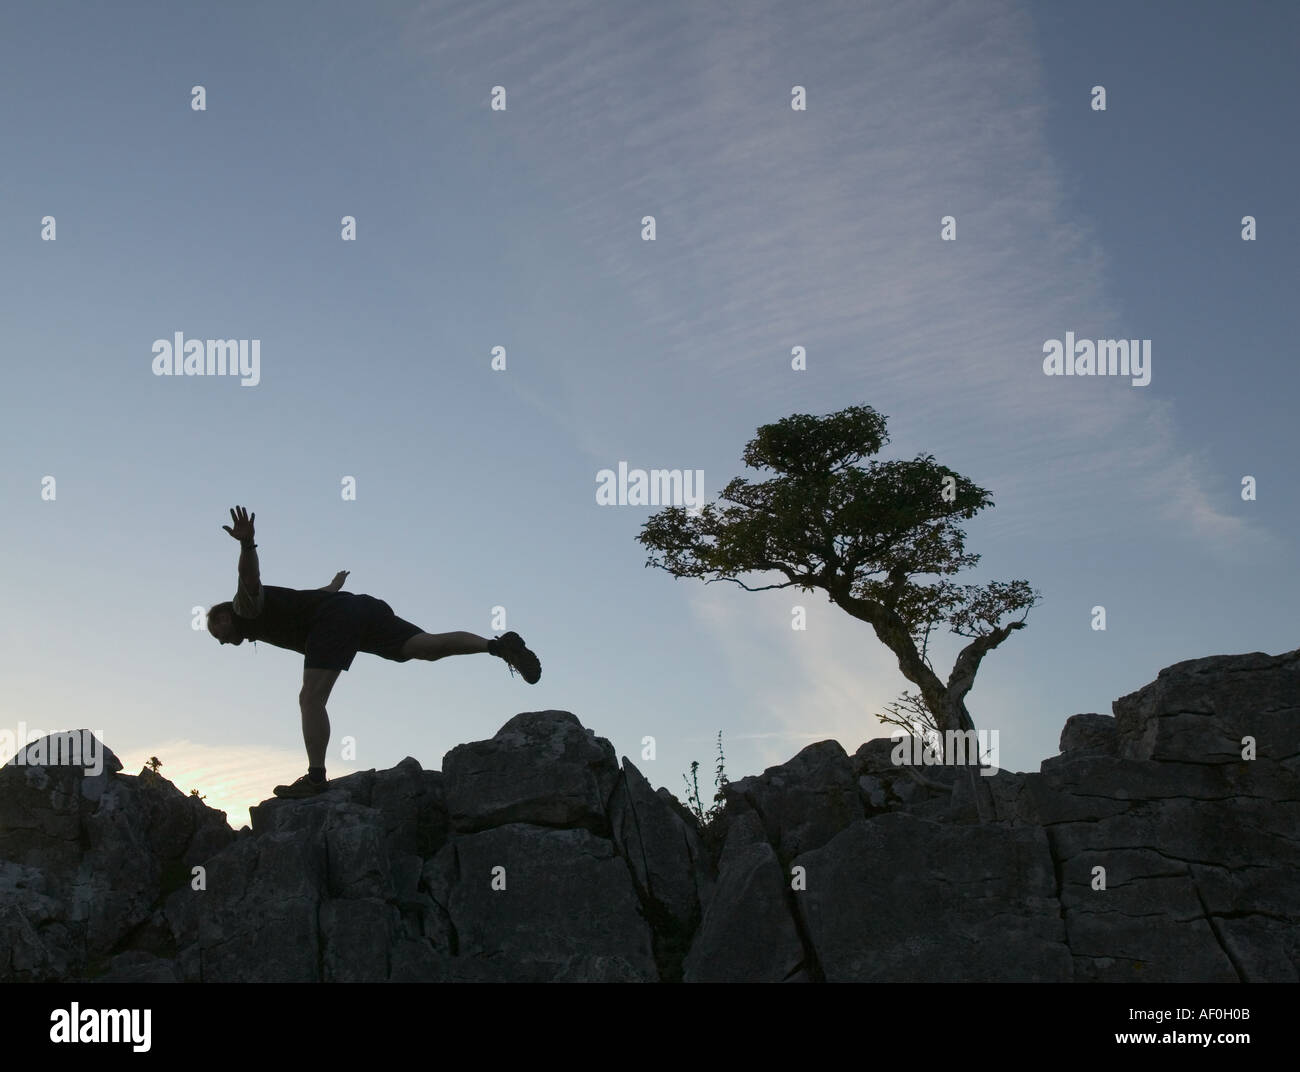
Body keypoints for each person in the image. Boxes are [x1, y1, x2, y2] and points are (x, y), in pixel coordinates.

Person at [207, 505, 541, 799]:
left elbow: (248, 576)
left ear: (224, 615)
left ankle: (315, 778)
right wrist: (335, 585)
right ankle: (498, 646)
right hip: (360, 608)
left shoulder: (243, 608)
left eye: (216, 631)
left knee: (310, 700)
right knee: (426, 647)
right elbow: (320, 594)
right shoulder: (270, 609)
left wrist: (247, 543)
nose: (221, 641)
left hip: (332, 620)